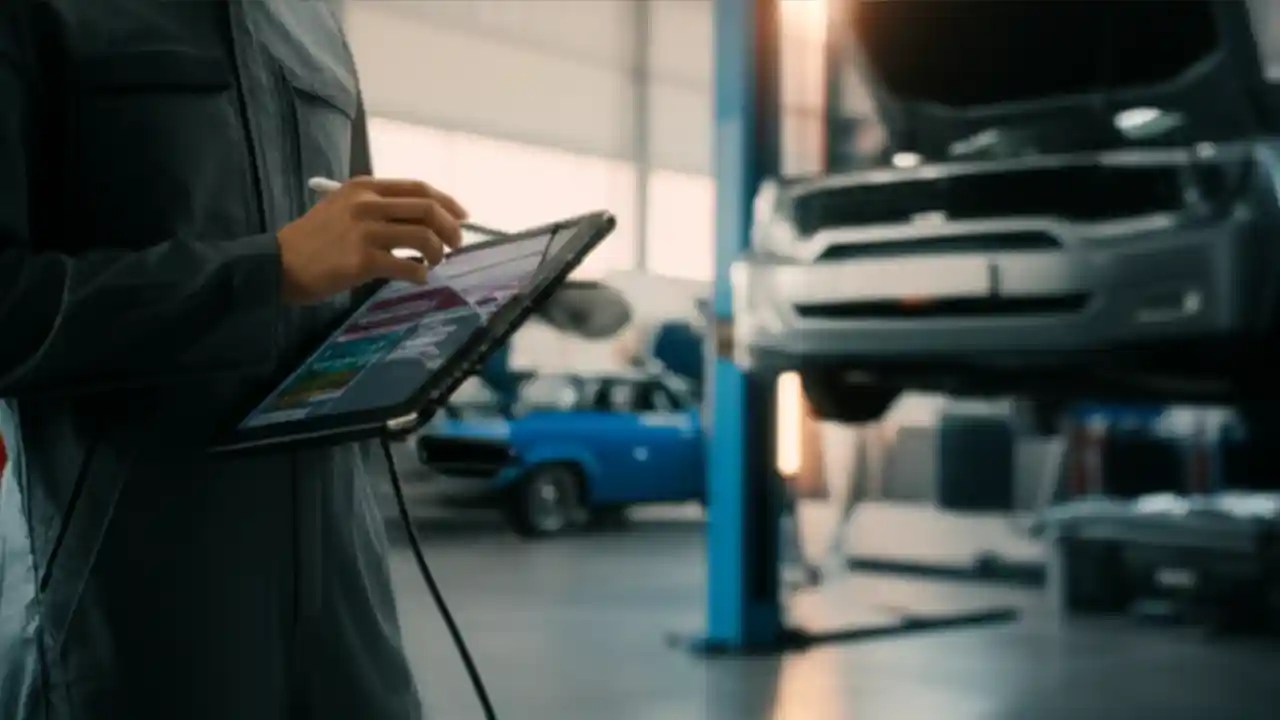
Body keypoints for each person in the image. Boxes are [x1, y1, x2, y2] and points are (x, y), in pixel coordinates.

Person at [0, 2, 464, 718]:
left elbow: (346, 260)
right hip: (133, 613)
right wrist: (265, 271)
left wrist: (423, 327)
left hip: (345, 611)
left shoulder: (316, 25)